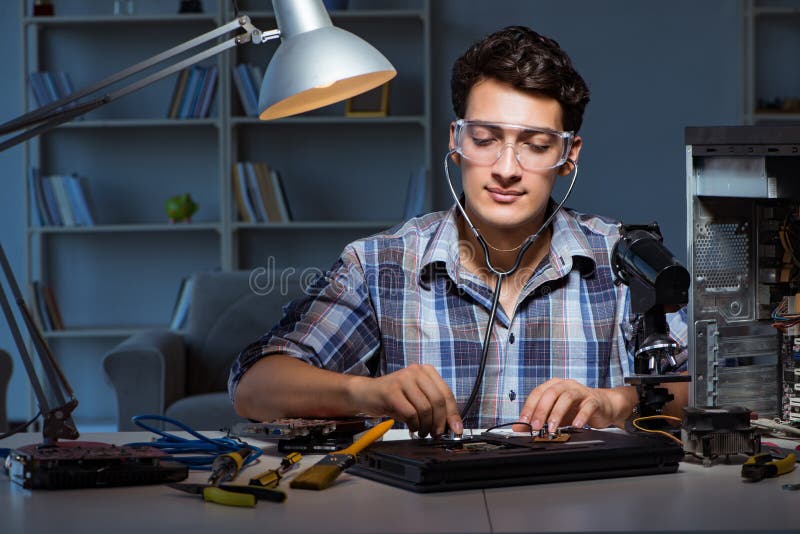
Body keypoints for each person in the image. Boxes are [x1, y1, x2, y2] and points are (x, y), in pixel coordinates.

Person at [229, 26, 687, 438]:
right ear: (456, 141)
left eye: (536, 145)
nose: (506, 169)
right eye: (485, 139)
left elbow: (714, 385)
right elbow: (255, 387)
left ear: (569, 155)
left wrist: (618, 403)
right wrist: (368, 393)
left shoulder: (623, 257)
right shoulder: (378, 263)